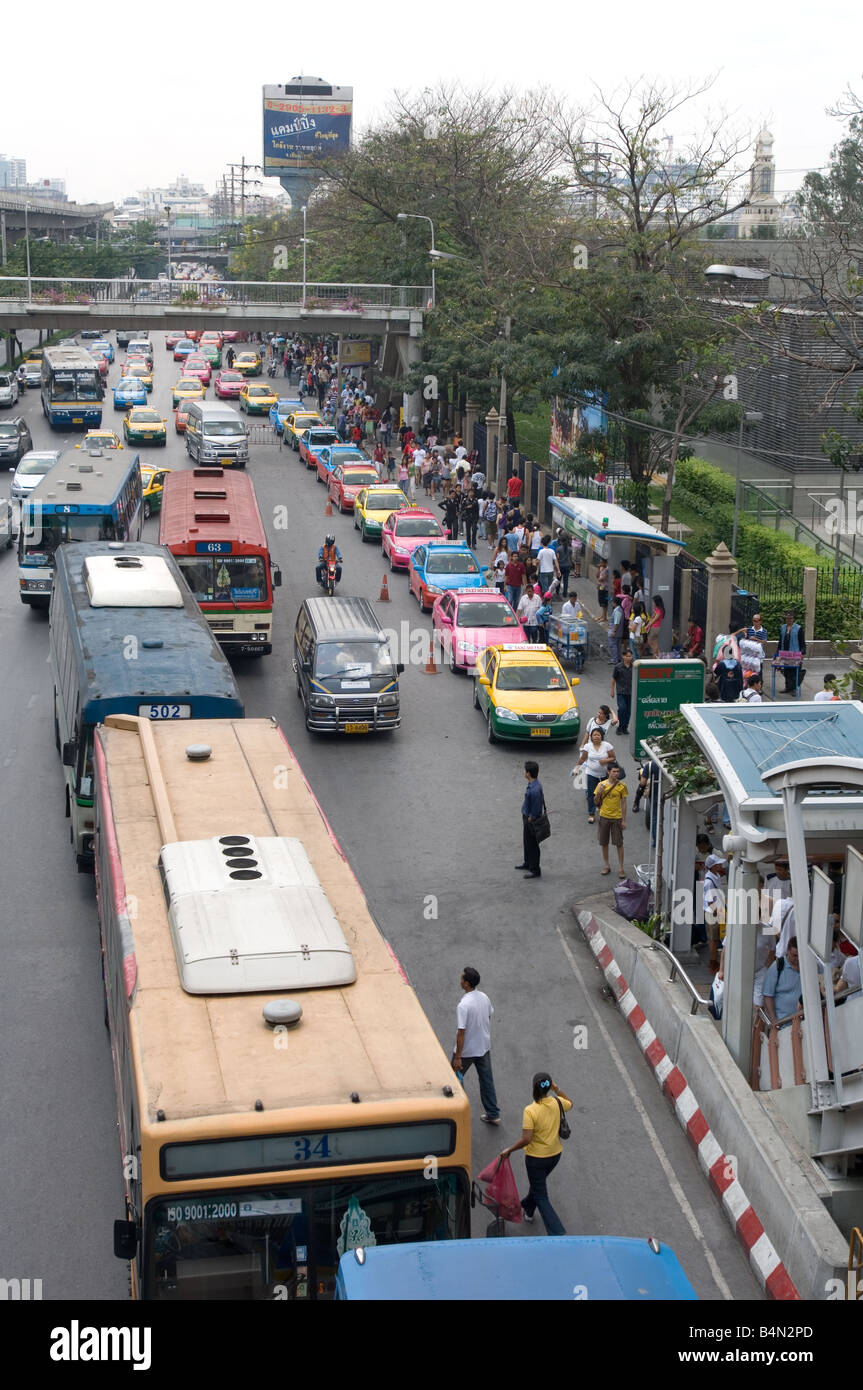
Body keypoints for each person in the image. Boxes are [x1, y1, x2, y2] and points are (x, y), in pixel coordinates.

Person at [498, 1073, 572, 1234]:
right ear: (549, 1086)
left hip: (536, 1159)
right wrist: (557, 1089)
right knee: (538, 1185)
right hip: (555, 1155)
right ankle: (528, 1209)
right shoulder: (557, 1102)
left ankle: (558, 1233)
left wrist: (509, 1150)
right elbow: (570, 1103)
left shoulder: (530, 1111)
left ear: (534, 1087)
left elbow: (526, 1139)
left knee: (541, 1196)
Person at [451, 967, 500, 1125]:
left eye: (462, 979)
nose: (460, 981)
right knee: (487, 1080)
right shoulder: (484, 997)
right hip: (483, 1047)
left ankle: (460, 1113)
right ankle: (493, 1113)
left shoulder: (464, 1005)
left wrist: (458, 1057)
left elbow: (461, 1032)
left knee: (455, 1078)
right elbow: (488, 1016)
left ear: (466, 984)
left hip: (466, 1052)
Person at [574, 726, 616, 822]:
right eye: (594, 735)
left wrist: (605, 760)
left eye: (598, 735)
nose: (596, 737)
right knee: (591, 794)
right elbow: (582, 759)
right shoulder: (588, 746)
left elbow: (613, 757)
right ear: (591, 737)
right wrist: (576, 768)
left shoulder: (607, 746)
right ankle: (591, 814)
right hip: (591, 774)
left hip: (605, 774)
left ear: (602, 736)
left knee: (604, 793)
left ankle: (603, 810)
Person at [595, 762, 627, 877]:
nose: (616, 774)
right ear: (608, 772)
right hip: (604, 817)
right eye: (614, 771)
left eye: (617, 771)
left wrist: (624, 820)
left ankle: (621, 868)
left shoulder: (622, 786)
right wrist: (599, 792)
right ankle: (606, 865)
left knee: (619, 843)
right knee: (604, 843)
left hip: (617, 818)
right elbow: (596, 802)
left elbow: (623, 803)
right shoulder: (601, 785)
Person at [762, 938, 802, 1029]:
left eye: (800, 955)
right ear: (788, 951)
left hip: (802, 1021)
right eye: (794, 955)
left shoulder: (805, 966)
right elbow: (768, 996)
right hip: (783, 1024)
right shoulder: (777, 967)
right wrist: (774, 1021)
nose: (797, 959)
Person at [516, 760, 545, 878]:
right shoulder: (534, 785)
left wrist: (531, 818)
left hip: (531, 820)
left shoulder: (534, 790)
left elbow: (537, 808)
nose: (524, 772)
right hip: (527, 817)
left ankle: (535, 869)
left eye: (525, 771)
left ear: (528, 773)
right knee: (527, 842)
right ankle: (528, 863)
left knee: (532, 844)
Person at [778, 609, 806, 695]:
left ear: (793, 619)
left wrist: (802, 653)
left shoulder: (798, 628)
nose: (788, 620)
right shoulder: (783, 628)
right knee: (786, 671)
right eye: (787, 618)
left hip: (795, 654)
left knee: (795, 672)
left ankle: (794, 689)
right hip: (785, 654)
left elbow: (802, 642)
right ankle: (788, 687)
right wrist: (778, 653)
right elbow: (780, 641)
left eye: (790, 618)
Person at [610, 649, 634, 734]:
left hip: (630, 692)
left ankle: (625, 727)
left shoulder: (634, 667)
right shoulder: (618, 667)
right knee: (622, 708)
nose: (628, 658)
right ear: (623, 656)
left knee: (628, 711)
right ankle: (620, 727)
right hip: (621, 692)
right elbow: (613, 678)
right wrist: (612, 690)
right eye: (627, 656)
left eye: (630, 656)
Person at [607, 595, 626, 665]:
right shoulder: (619, 610)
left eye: (613, 602)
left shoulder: (617, 611)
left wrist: (614, 631)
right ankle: (618, 659)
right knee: (617, 646)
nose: (612, 603)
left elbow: (616, 623)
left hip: (615, 632)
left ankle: (614, 659)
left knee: (613, 645)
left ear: (615, 603)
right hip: (618, 631)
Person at [555, 531, 573, 597]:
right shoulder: (570, 549)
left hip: (560, 566)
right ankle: (565, 593)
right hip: (567, 566)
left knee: (558, 579)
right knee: (566, 580)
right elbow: (571, 558)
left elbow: (557, 558)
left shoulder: (558, 549)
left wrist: (556, 567)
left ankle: (557, 591)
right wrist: (571, 564)